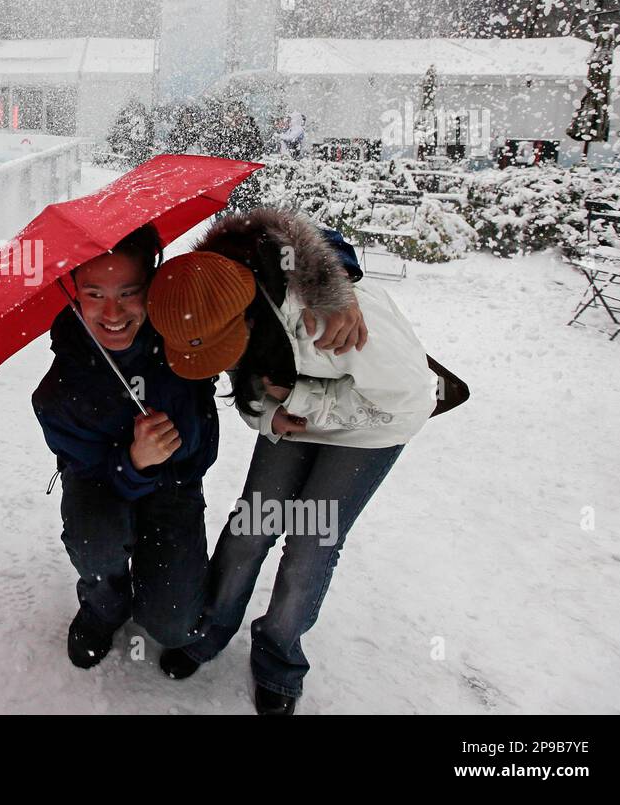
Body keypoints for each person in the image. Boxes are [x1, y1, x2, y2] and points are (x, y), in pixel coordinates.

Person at [31, 218, 367, 672]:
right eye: (94, 294)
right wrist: (133, 461)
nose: (113, 313)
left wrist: (335, 285)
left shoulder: (183, 313)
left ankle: (159, 595)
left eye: (129, 292)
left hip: (175, 487)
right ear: (73, 291)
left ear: (155, 279)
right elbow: (88, 473)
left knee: (174, 627)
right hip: (102, 489)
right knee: (98, 540)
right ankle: (103, 602)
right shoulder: (59, 390)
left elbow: (282, 234)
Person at [145, 208, 438, 715]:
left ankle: (279, 656)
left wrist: (303, 399)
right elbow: (251, 392)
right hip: (293, 413)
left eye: (221, 351)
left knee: (310, 542)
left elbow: (413, 400)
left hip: (372, 426)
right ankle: (213, 624)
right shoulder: (209, 300)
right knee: (251, 525)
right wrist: (270, 416)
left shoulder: (332, 315)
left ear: (249, 314)